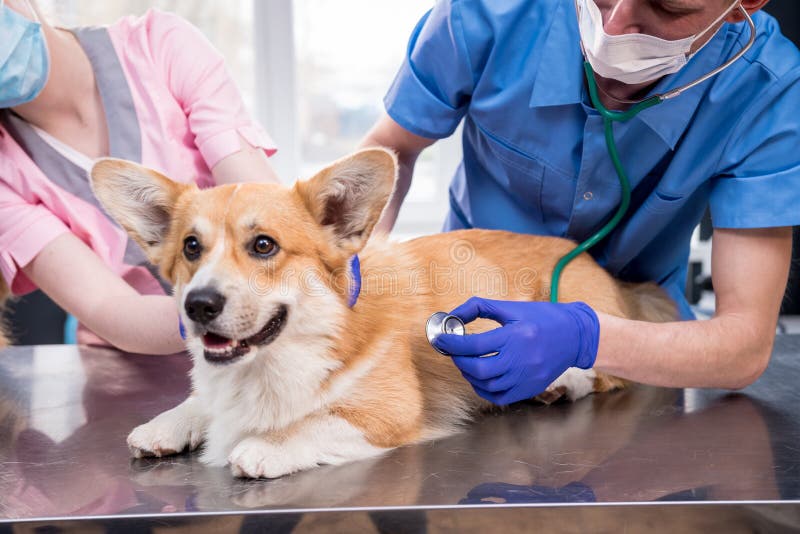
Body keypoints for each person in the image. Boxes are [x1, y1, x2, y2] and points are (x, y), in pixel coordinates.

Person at [360, 0, 800, 403]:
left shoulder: (768, 90)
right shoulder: (488, 12)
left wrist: (585, 339)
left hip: (639, 343)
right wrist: (355, 254)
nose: (614, 25)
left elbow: (744, 346)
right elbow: (393, 150)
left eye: (668, 6)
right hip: (464, 313)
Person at [0, 0, 279, 354]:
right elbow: (112, 308)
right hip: (134, 376)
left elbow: (262, 200)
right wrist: (215, 308)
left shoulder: (161, 46)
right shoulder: (6, 177)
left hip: (261, 345)